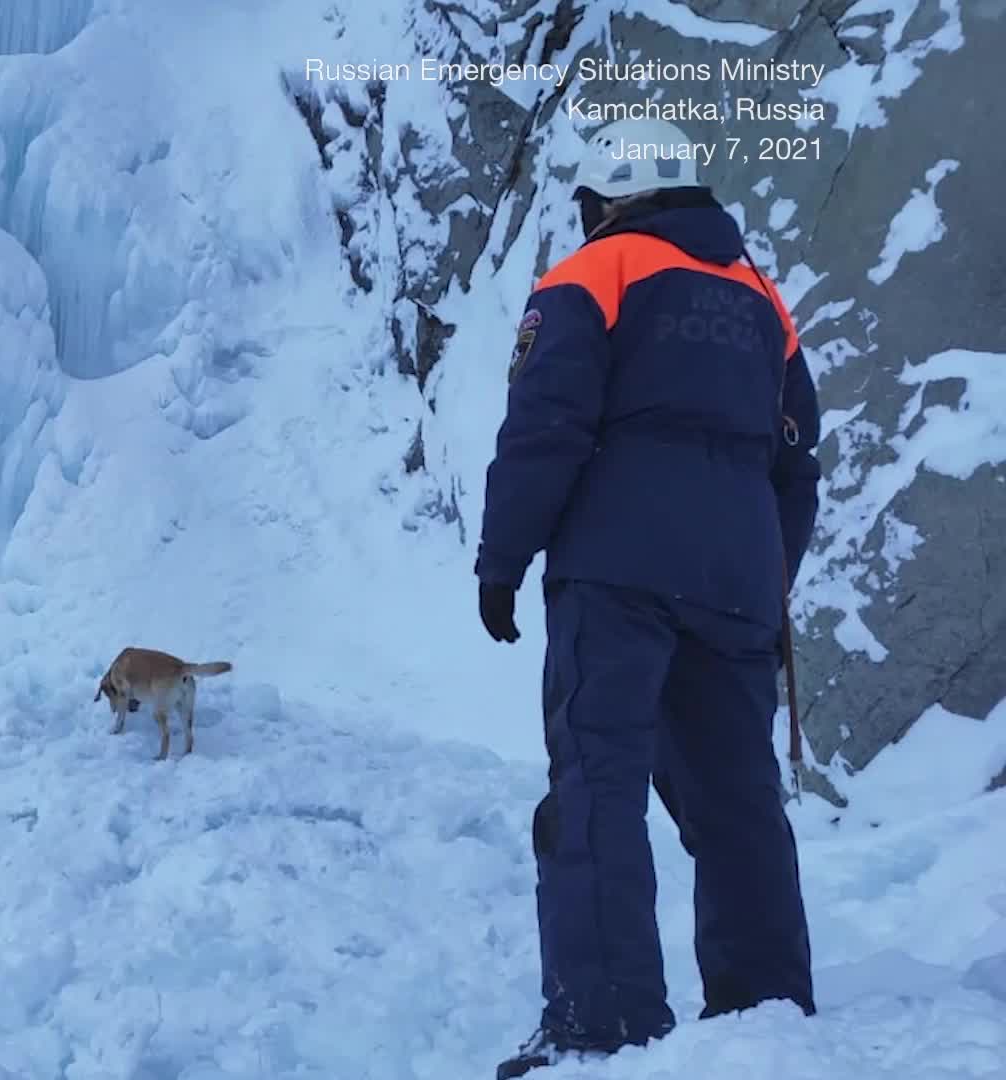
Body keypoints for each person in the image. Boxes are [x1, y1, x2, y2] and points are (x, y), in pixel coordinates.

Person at [474, 116, 822, 1079]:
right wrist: (764, 575)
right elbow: (801, 462)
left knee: (596, 787)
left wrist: (502, 559)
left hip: (618, 578)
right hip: (738, 590)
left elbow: (547, 424)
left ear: (608, 199)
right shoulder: (760, 298)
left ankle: (602, 1024)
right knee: (738, 799)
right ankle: (767, 1012)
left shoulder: (594, 275)